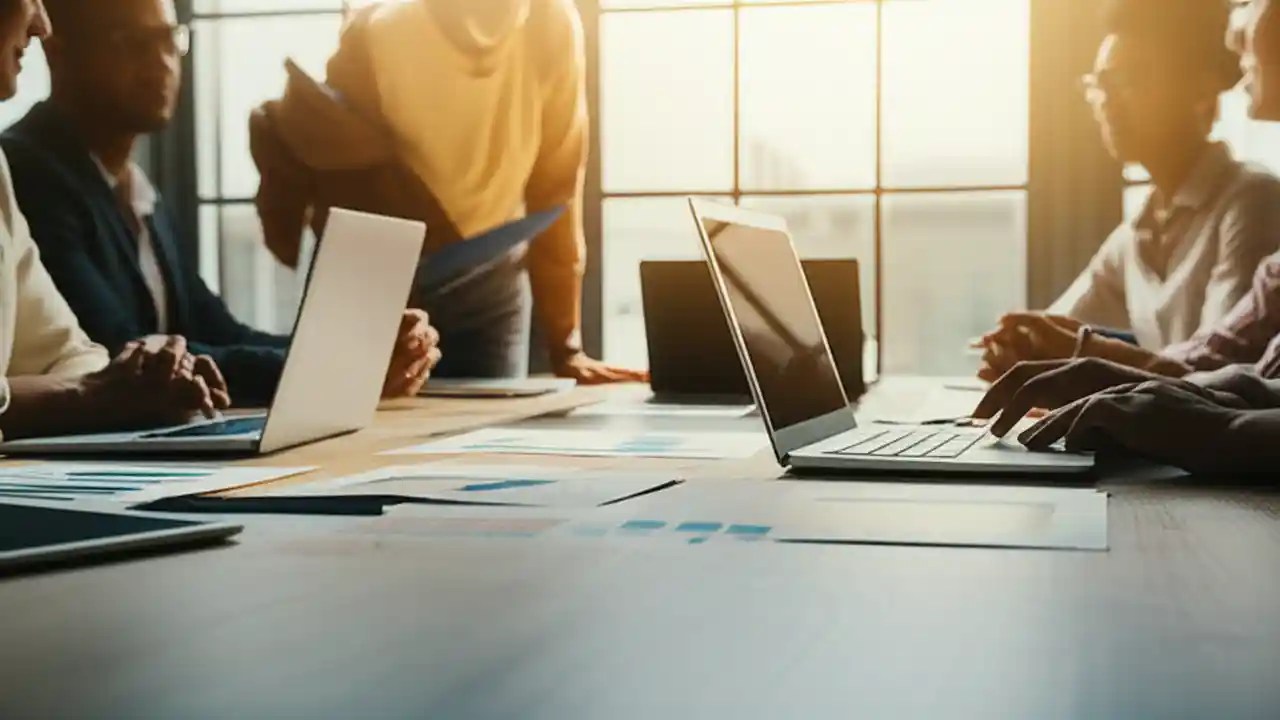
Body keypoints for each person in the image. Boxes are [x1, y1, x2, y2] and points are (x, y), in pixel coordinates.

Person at [1, 0, 442, 408]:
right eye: (132, 43)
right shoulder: (29, 172)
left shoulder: (133, 187)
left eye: (169, 40)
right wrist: (335, 370)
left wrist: (347, 352)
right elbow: (120, 351)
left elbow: (212, 330)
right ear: (59, 54)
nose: (162, 64)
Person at [252, 0, 646, 385]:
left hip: (489, 276)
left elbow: (557, 185)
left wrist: (566, 346)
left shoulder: (552, 23)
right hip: (378, 269)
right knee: (350, 430)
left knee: (486, 441)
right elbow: (335, 162)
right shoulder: (380, 28)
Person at [977, 0, 1280, 383]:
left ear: (1201, 90)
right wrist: (1021, 344)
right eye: (1099, 84)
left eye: (1128, 79)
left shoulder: (1253, 200)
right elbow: (1057, 328)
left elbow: (1221, 368)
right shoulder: (1135, 233)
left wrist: (1077, 350)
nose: (1108, 102)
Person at [0, 0, 231, 440]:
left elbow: (75, 356)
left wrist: (121, 386)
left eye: (167, 41)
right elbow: (106, 352)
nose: (41, 24)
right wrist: (87, 395)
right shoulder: (34, 170)